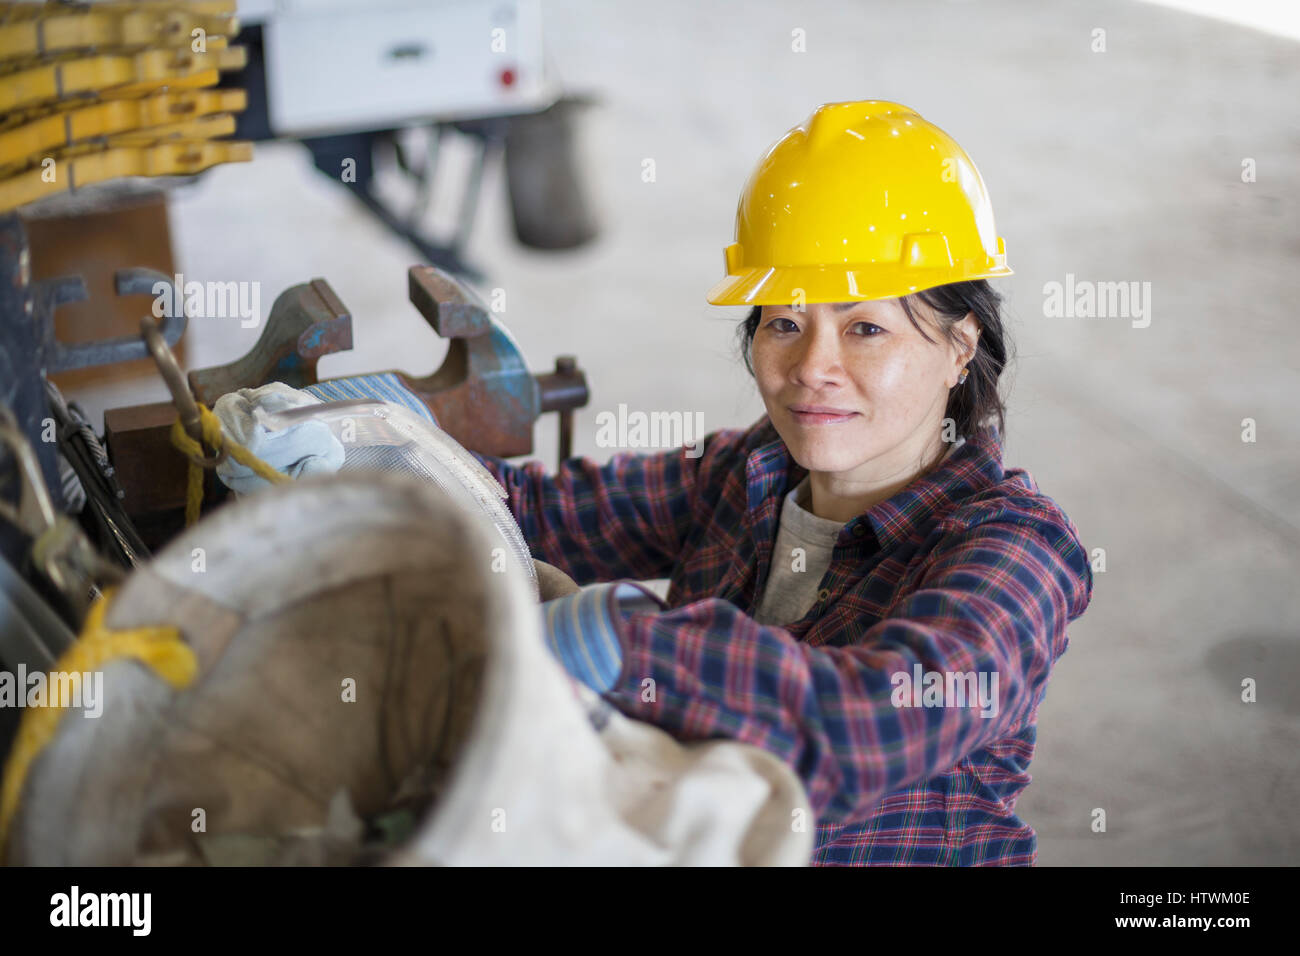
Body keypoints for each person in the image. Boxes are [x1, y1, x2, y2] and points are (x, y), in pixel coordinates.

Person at [469, 100, 1094, 866]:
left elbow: (870, 724)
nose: (811, 369)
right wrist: (384, 452)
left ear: (960, 347)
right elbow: (533, 511)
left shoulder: (1019, 551)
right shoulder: (750, 472)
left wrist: (630, 643)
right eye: (784, 323)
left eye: (865, 327)